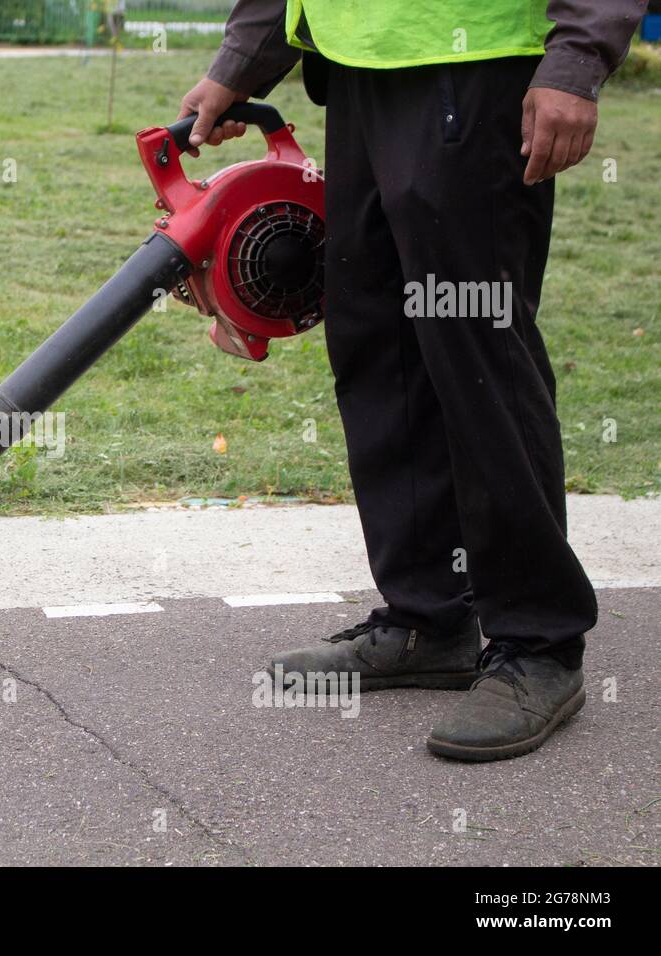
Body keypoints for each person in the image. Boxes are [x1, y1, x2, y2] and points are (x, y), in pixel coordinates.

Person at [178, 0, 643, 762]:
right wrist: (240, 62)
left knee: (478, 351)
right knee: (377, 344)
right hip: (359, 71)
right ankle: (430, 617)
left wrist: (577, 57)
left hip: (476, 63)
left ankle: (539, 641)